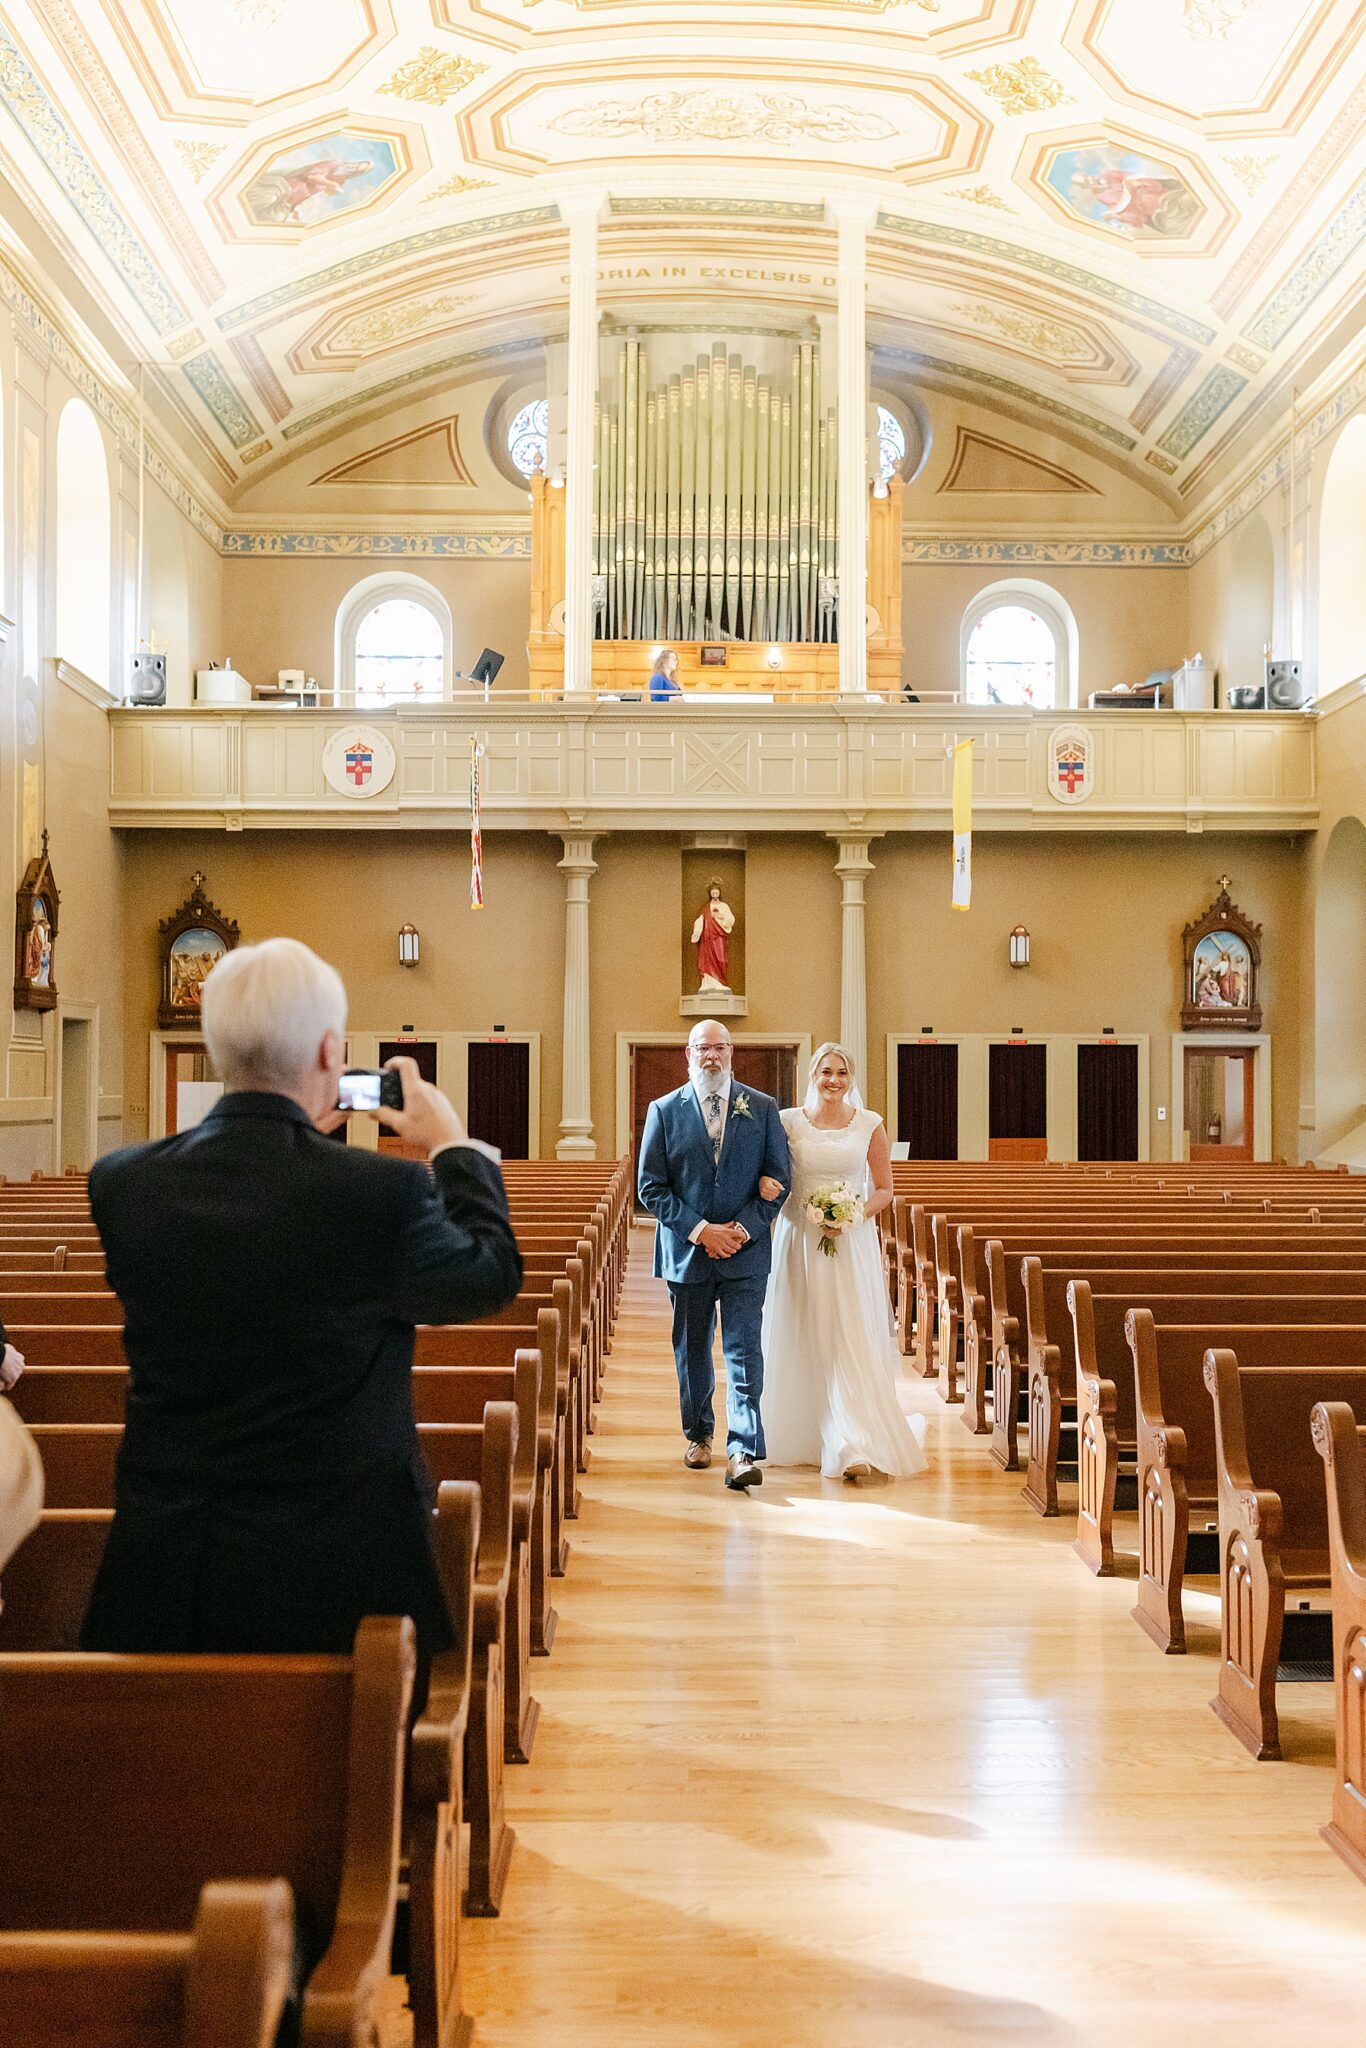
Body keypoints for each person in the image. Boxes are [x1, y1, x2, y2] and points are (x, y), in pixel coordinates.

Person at [79, 937, 523, 1657]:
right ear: (328, 1053)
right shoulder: (379, 1193)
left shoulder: (122, 1184)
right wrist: (452, 1146)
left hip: (167, 1569)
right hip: (340, 1578)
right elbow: (489, 1272)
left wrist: (293, 1143)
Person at [762, 1043, 928, 1484]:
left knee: (846, 1335)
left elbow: (884, 1189)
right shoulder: (788, 1122)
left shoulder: (869, 1124)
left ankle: (850, 1435)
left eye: (841, 1073)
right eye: (825, 1072)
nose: (833, 1080)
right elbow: (776, 1178)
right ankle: (805, 1433)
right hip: (799, 1241)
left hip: (850, 1245)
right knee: (805, 1330)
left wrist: (852, 1214)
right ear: (812, 1075)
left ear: (850, 1078)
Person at [637, 1020, 790, 1491]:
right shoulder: (663, 1111)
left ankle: (742, 1448)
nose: (711, 1056)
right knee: (693, 1349)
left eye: (719, 1048)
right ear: (688, 1054)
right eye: (702, 1048)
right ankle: (699, 1434)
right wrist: (702, 1232)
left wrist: (741, 1229)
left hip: (745, 1254)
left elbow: (778, 1182)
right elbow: (650, 1188)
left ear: (732, 1053)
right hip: (689, 1255)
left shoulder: (762, 1108)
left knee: (744, 1350)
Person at [690, 880, 735, 993]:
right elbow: (700, 920)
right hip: (707, 938)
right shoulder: (706, 908)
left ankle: (720, 983)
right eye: (712, 893)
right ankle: (708, 983)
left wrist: (722, 916)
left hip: (719, 937)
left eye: (716, 892)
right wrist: (697, 931)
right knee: (707, 959)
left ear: (719, 893)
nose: (714, 895)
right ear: (710, 894)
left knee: (721, 959)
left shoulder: (724, 906)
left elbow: (731, 919)